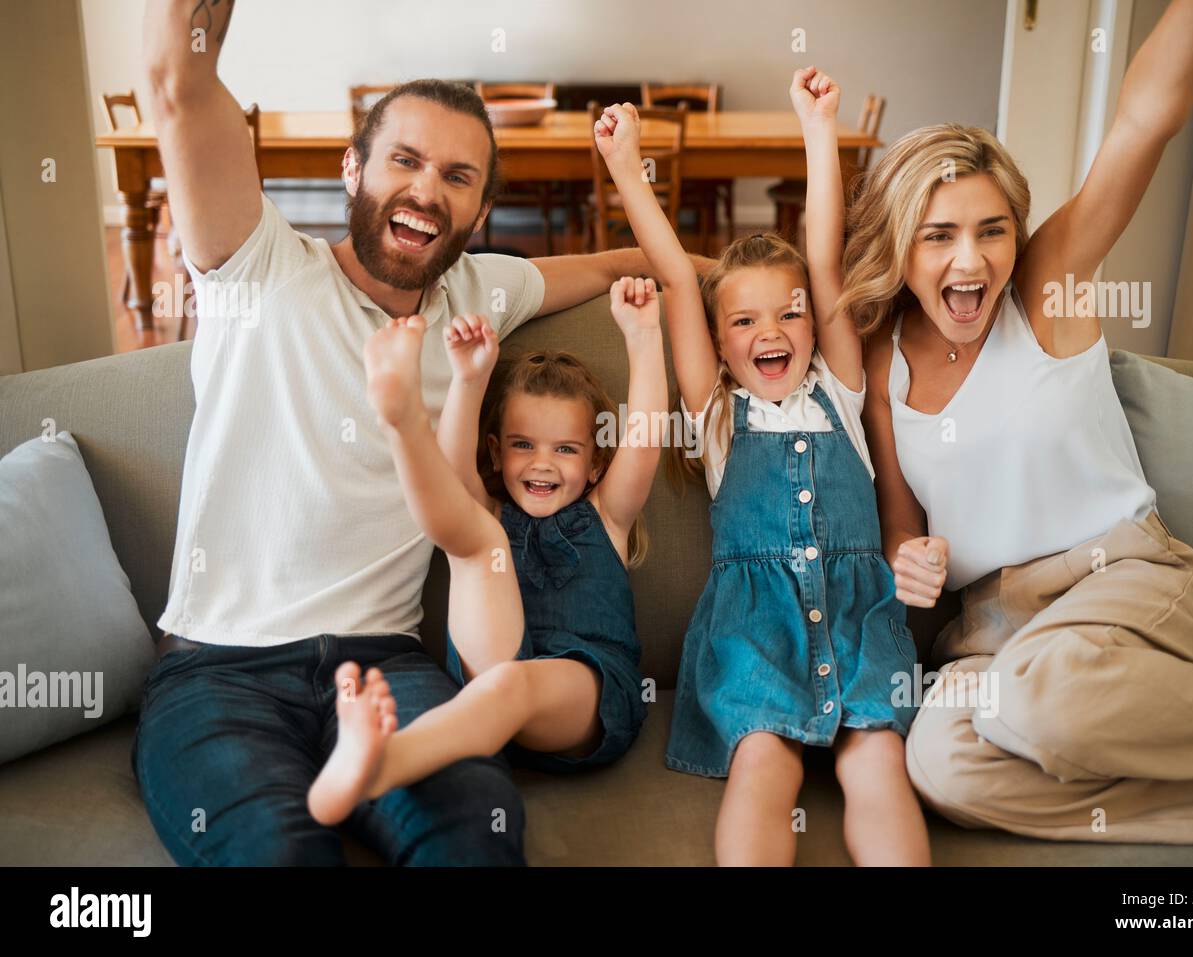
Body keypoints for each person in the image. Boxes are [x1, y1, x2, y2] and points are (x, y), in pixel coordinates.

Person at [134, 0, 710, 865]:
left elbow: (624, 264)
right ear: (351, 169)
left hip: (388, 667)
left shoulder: (480, 293)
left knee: (473, 844)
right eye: (403, 160)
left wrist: (757, 287)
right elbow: (178, 89)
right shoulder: (253, 264)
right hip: (220, 671)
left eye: (457, 176)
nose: (426, 190)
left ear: (479, 216)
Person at [848, 0, 1193, 843]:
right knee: (941, 762)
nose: (970, 259)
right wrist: (906, 562)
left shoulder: (1045, 285)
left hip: (1125, 582)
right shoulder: (881, 362)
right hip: (991, 628)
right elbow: (899, 531)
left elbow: (1142, 122)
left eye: (993, 230)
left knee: (1037, 700)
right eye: (939, 235)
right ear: (901, 247)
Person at [595, 70, 926, 866]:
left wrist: (819, 127)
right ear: (719, 339)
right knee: (761, 763)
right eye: (743, 319)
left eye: (789, 312)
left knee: (878, 758)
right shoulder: (716, 413)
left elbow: (823, 255)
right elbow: (677, 275)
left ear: (814, 320)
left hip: (858, 623)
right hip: (754, 637)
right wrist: (625, 163)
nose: (769, 330)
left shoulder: (842, 391)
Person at [307, 277, 665, 825]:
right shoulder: (494, 516)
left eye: (565, 450)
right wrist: (469, 379)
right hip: (485, 679)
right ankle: (402, 422)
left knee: (511, 683)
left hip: (579, 695)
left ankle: (382, 762)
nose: (542, 463)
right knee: (478, 540)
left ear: (595, 465)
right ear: (496, 452)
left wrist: (643, 336)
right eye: (524, 445)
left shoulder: (607, 515)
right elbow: (455, 477)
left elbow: (643, 438)